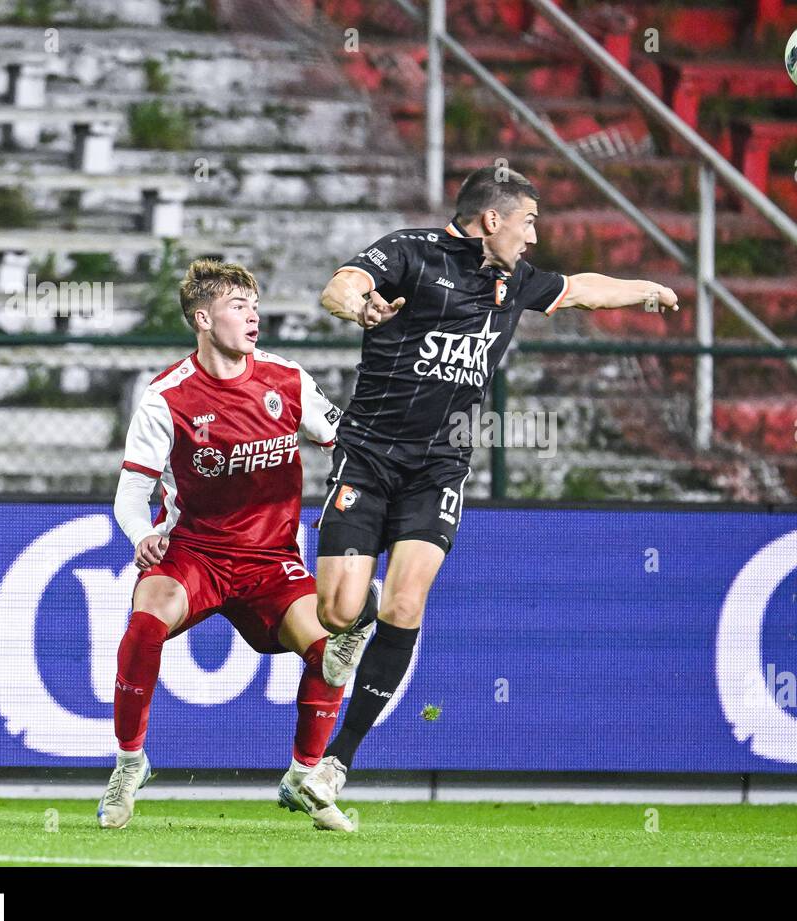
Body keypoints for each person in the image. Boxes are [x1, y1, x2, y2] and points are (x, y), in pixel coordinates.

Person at [298, 166, 679, 812]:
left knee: (408, 602)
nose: (533, 238)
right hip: (366, 458)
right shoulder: (411, 253)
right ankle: (351, 625)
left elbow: (582, 290)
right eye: (528, 222)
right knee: (336, 610)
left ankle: (335, 764)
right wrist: (359, 306)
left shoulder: (516, 281)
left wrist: (646, 289)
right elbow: (341, 284)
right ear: (492, 219)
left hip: (438, 467)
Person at [100, 258, 371, 832]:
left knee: (334, 654)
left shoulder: (288, 379)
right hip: (192, 555)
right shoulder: (165, 397)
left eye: (255, 305)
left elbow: (344, 441)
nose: (254, 317)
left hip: (272, 563)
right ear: (203, 318)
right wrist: (142, 533)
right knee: (144, 624)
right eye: (238, 307)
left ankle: (303, 775)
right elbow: (130, 495)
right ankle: (129, 763)